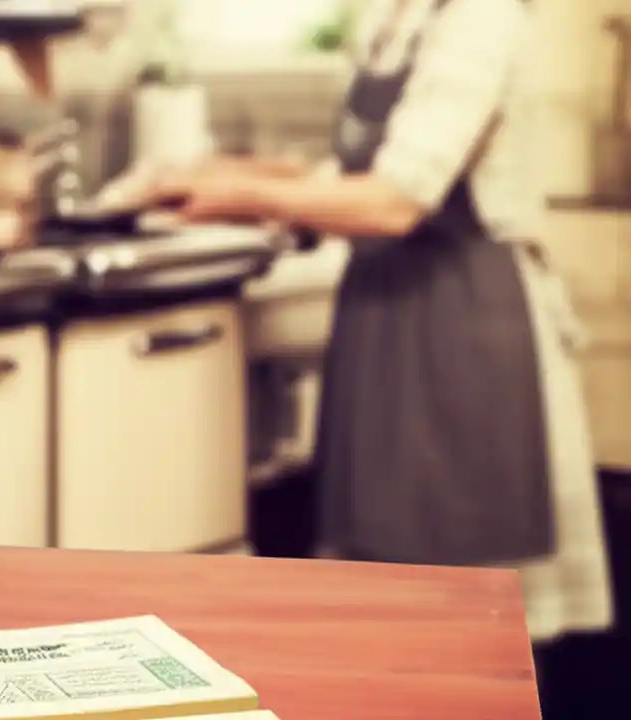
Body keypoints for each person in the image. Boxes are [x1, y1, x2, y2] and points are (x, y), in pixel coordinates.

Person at [99, 0, 613, 644]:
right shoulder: (394, 18)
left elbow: (397, 201)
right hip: (384, 317)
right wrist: (218, 177)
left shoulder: (482, 16)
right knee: (383, 609)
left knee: (460, 619)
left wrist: (243, 195)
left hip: (460, 325)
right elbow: (356, 176)